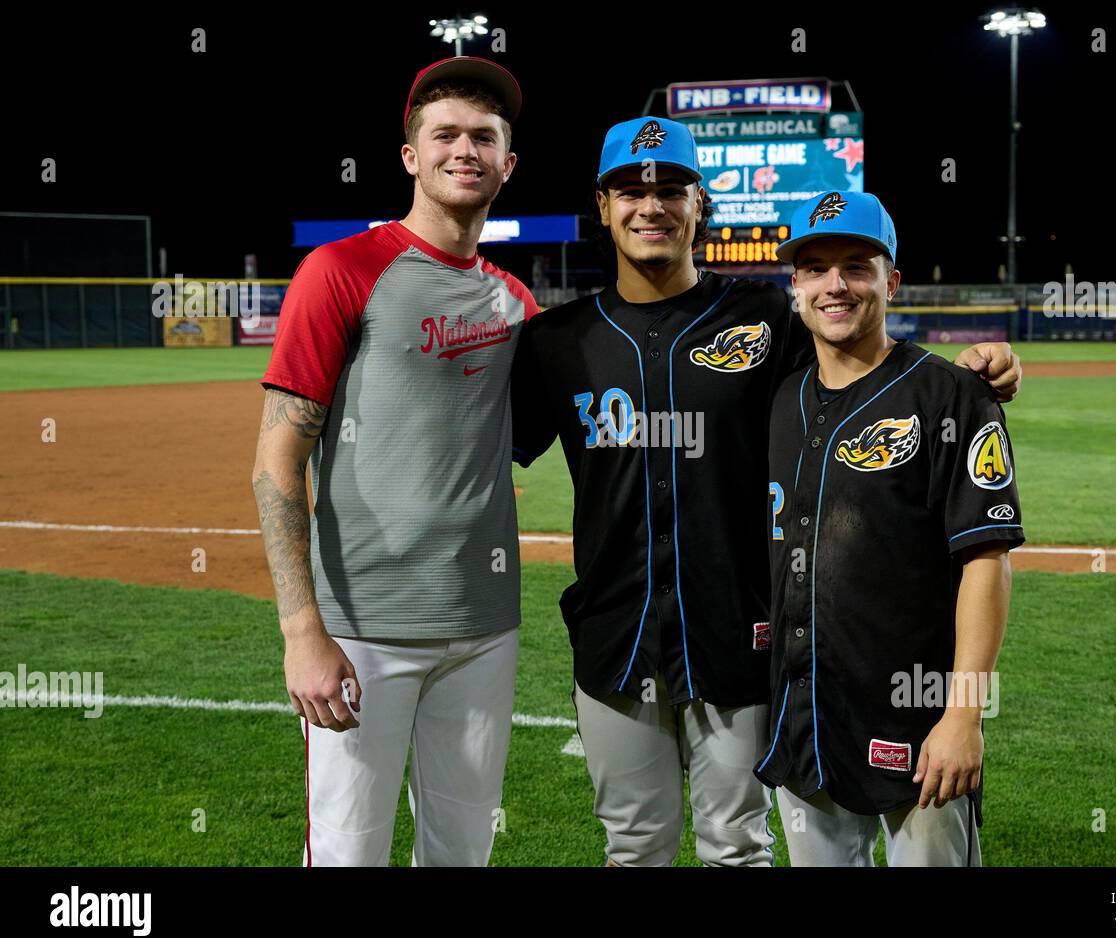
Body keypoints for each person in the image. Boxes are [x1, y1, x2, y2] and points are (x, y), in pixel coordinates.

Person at [510, 116, 1022, 866]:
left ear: (700, 205)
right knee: (633, 847)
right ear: (603, 204)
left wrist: (973, 374)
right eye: (630, 189)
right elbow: (489, 454)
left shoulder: (763, 318)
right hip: (614, 642)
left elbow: (866, 365)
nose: (650, 205)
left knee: (737, 849)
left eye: (671, 189)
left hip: (743, 649)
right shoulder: (555, 343)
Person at [251, 56, 537, 867]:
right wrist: (302, 630)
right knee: (347, 854)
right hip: (362, 629)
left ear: (507, 164)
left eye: (485, 137)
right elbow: (276, 461)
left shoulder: (516, 303)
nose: (465, 150)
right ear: (410, 155)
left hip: (485, 627)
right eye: (444, 134)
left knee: (462, 852)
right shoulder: (340, 272)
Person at [754, 190, 1024, 866]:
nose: (834, 284)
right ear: (796, 286)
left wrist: (963, 717)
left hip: (922, 723)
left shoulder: (951, 396)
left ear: (891, 280)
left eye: (856, 264)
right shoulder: (781, 398)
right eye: (814, 267)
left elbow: (986, 563)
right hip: (807, 719)